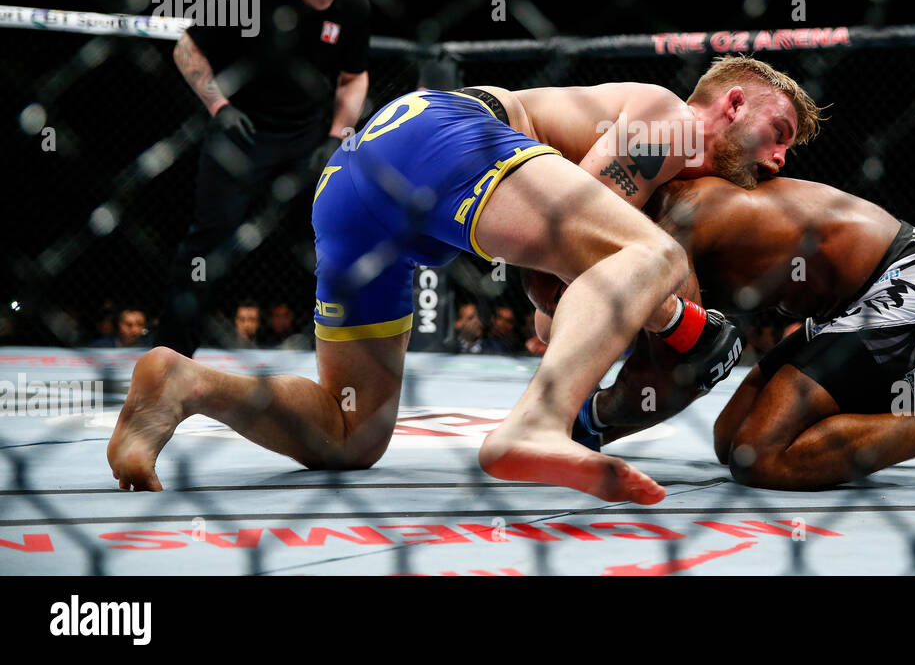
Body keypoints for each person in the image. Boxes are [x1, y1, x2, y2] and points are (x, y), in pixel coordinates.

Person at [109, 55, 822, 505]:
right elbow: (571, 210)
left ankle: (183, 384)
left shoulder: (666, 166)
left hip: (359, 182)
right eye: (780, 128)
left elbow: (554, 269)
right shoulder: (675, 123)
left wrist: (599, 316)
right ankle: (538, 426)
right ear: (732, 103)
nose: (783, 156)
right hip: (447, 136)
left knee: (352, 432)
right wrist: (679, 322)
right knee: (657, 257)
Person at [531, 175, 915, 495]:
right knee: (730, 439)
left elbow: (673, 376)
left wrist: (580, 422)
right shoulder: (669, 213)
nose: (776, 161)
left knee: (758, 457)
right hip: (863, 309)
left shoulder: (679, 218)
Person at [157, 0, 371, 357]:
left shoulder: (353, 6)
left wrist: (337, 134)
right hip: (242, 130)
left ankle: (345, 353)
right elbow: (186, 48)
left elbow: (353, 78)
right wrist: (219, 106)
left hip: (311, 137)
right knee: (207, 242)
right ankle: (173, 355)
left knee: (344, 234)